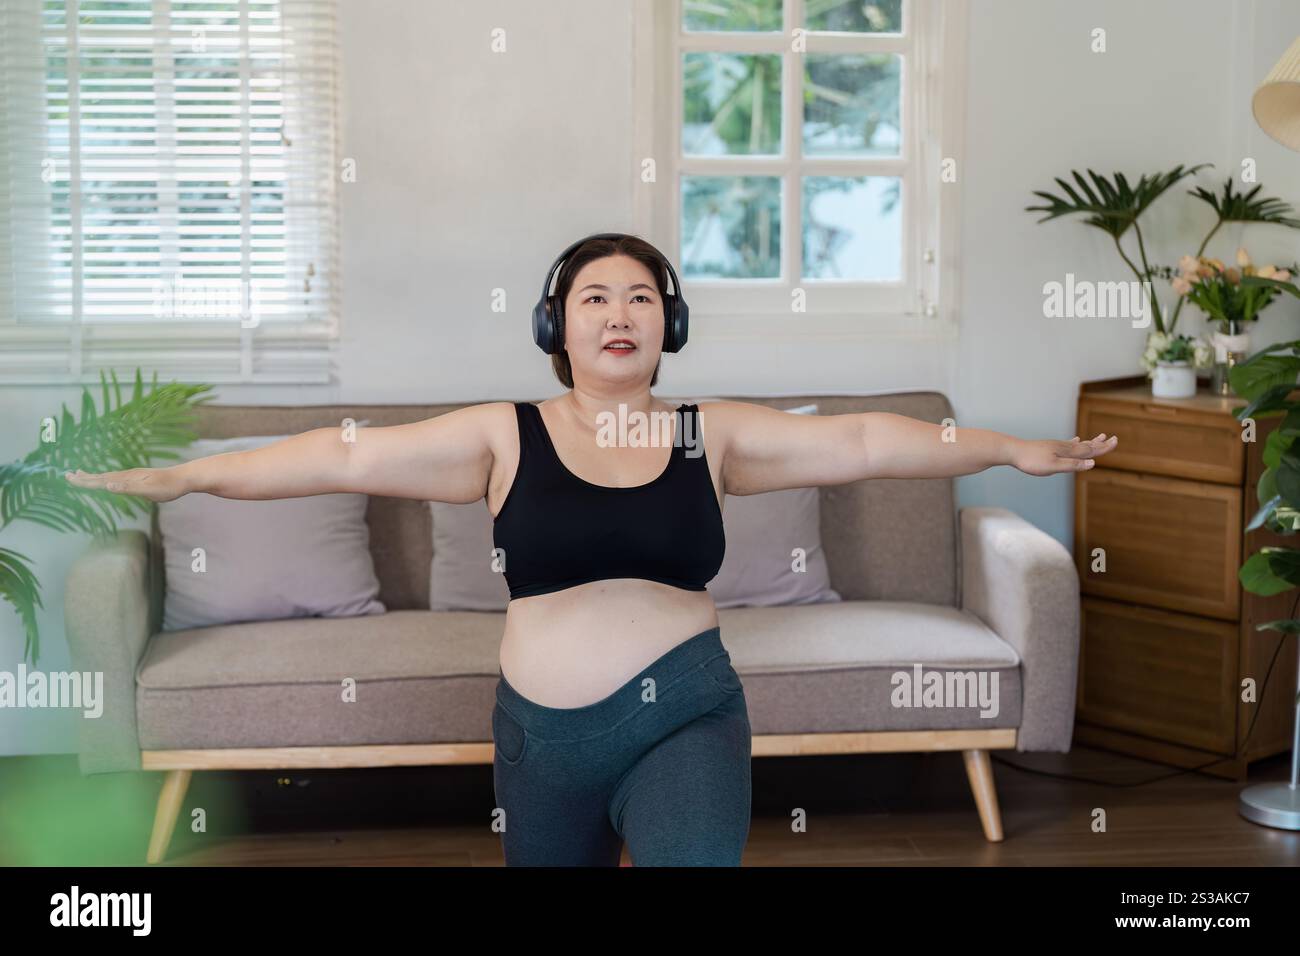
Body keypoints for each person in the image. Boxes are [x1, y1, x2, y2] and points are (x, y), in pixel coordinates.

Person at [65, 232, 1118, 866]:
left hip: (688, 712)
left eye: (642, 297)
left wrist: (1012, 447)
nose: (620, 312)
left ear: (670, 323)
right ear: (555, 325)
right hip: (542, 738)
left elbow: (862, 439)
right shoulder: (496, 433)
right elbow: (338, 455)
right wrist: (186, 473)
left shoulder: (714, 428)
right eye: (594, 297)